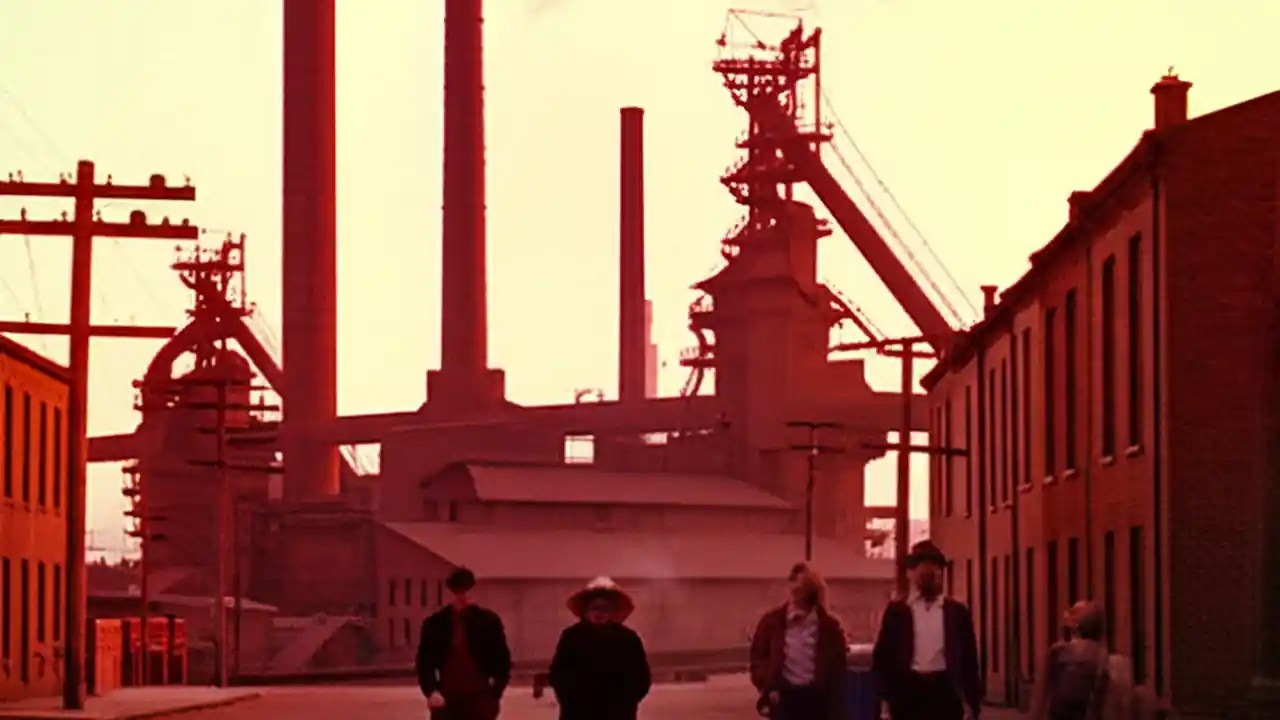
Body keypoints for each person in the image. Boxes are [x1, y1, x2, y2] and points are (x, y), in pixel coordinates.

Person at [871, 540, 982, 720]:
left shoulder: (956, 613)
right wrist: (884, 703)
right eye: (920, 568)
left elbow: (969, 660)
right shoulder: (897, 612)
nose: (927, 573)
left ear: (940, 573)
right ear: (911, 574)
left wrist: (971, 704)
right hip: (908, 692)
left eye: (933, 568)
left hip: (943, 691)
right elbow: (884, 660)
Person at [749, 562, 849, 720]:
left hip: (817, 700)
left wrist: (835, 703)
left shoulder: (828, 627)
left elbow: (838, 668)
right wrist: (769, 686)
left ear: (812, 592)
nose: (795, 592)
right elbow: (758, 658)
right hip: (784, 698)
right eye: (793, 586)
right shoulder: (772, 622)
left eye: (801, 588)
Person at [415, 567, 512, 720]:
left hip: (480, 697)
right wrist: (431, 691)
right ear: (449, 593)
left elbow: (502, 660)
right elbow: (425, 662)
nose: (463, 596)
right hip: (447, 697)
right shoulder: (435, 624)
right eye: (458, 591)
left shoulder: (488, 622)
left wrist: (494, 693)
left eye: (467, 590)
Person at [548, 577, 651, 720]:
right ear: (586, 610)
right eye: (595, 608)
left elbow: (640, 678)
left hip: (617, 713)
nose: (599, 614)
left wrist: (625, 702)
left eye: (605, 609)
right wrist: (570, 699)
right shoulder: (572, 637)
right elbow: (559, 673)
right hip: (578, 712)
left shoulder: (628, 640)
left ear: (613, 612)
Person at [1027, 601, 1130, 720]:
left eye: (1072, 613)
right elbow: (1117, 706)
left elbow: (1040, 699)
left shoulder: (1057, 653)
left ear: (1075, 625)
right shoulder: (1112, 661)